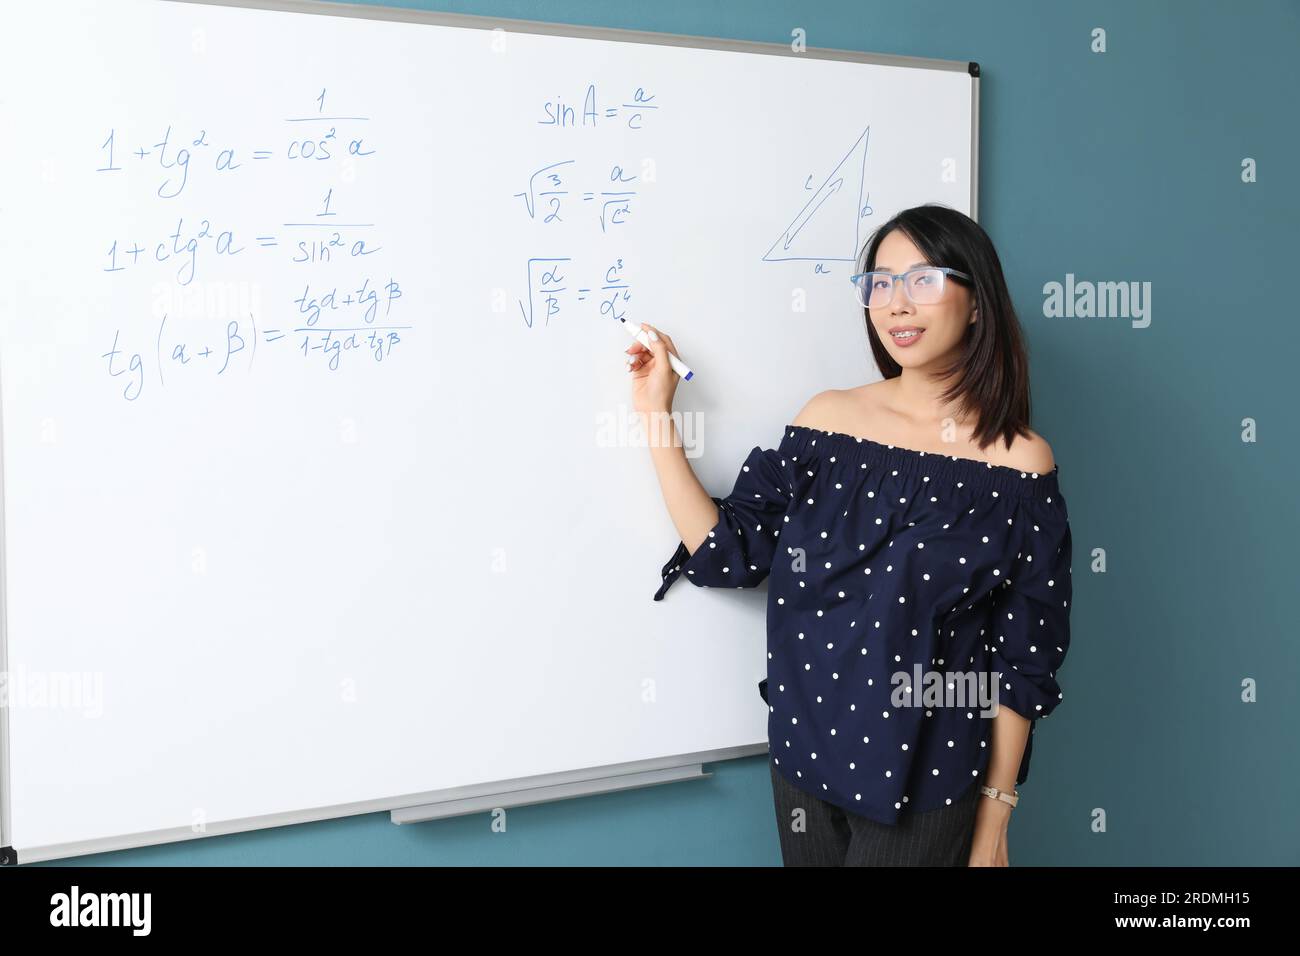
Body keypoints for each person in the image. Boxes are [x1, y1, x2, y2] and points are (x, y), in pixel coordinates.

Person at [628, 203, 1074, 866]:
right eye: (880, 284)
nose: (896, 303)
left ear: (977, 302)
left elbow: (1023, 661)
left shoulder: (1018, 465)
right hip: (804, 761)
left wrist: (995, 819)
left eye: (922, 280)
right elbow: (730, 553)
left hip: (927, 781)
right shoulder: (828, 422)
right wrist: (655, 415)